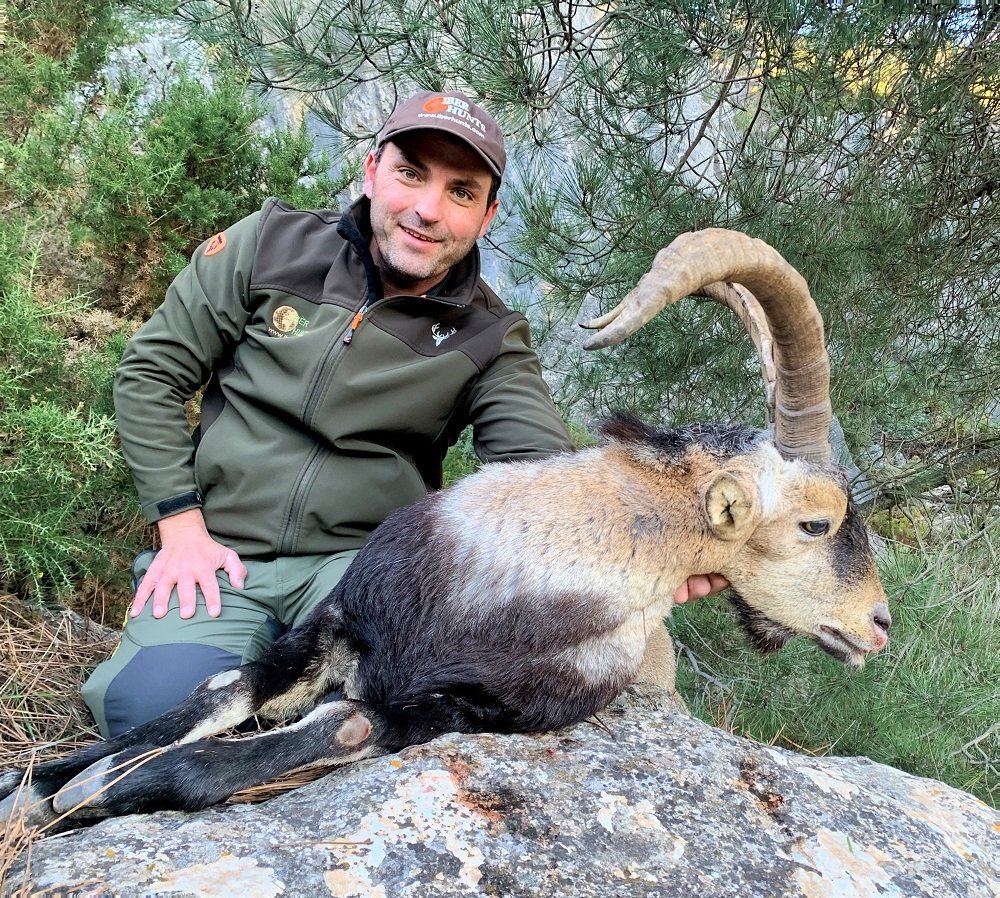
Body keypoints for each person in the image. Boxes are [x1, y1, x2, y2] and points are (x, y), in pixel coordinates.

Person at [83, 91, 726, 738]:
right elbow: (151, 372)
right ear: (371, 172)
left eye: (461, 192)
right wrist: (180, 523)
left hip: (359, 575)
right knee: (148, 719)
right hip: (219, 555)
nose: (427, 209)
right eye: (411, 173)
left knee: (358, 726)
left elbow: (543, 472)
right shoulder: (271, 245)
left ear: (487, 215)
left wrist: (641, 545)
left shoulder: (488, 336)